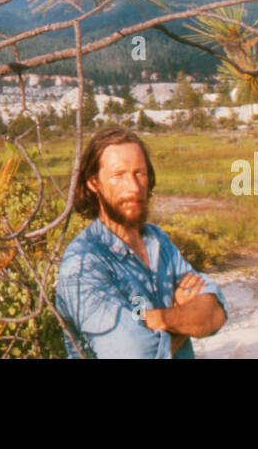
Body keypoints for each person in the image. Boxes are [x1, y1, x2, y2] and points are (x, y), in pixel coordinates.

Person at [54, 126, 227, 358]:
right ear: (93, 183)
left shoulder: (158, 241)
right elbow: (134, 354)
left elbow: (214, 313)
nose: (134, 187)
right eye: (119, 175)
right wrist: (179, 316)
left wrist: (154, 318)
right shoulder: (84, 263)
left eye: (140, 173)